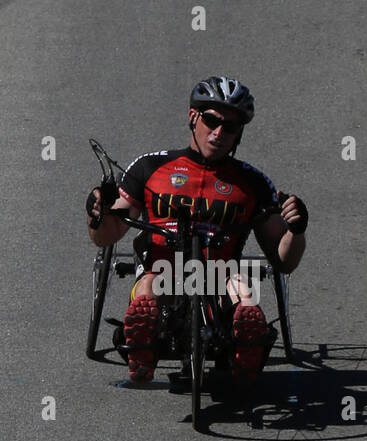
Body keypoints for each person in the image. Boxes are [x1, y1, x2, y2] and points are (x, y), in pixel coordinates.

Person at [85, 76, 309, 384]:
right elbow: (108, 235)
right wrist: (97, 216)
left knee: (242, 285)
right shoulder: (150, 168)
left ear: (239, 133)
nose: (218, 133)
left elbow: (285, 261)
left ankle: (247, 343)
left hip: (221, 275)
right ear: (193, 117)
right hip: (162, 270)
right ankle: (143, 348)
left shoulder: (253, 183)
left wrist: (296, 230)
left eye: (229, 127)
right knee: (151, 284)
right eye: (211, 120)